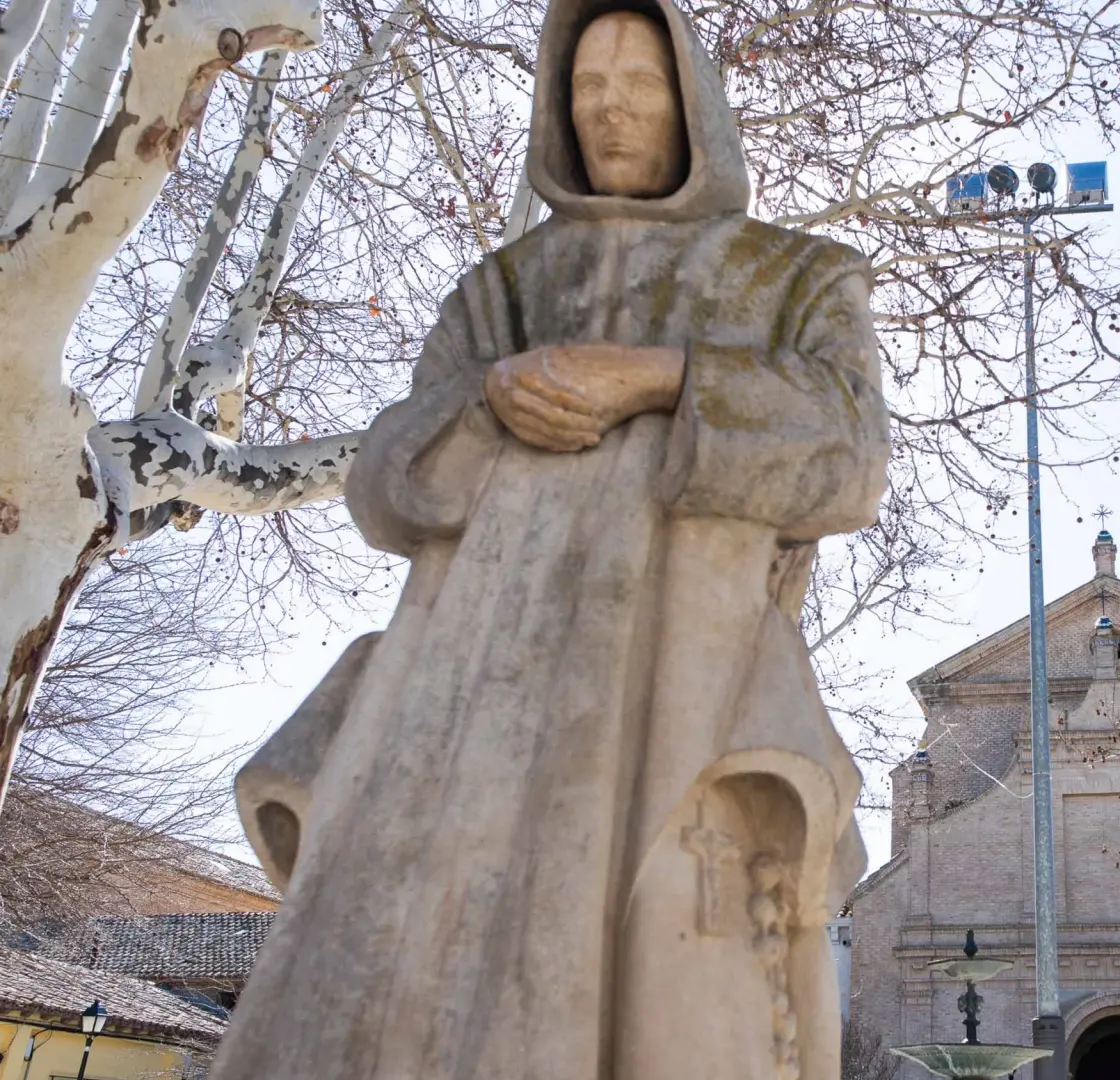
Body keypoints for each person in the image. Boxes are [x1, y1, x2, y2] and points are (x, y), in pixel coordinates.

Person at [210, 3, 888, 1077]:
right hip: (464, 716)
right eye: (588, 86)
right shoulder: (501, 293)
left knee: (671, 993)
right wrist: (485, 400)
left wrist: (667, 378)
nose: (610, 109)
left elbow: (852, 459)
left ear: (694, 105)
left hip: (679, 698)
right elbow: (384, 492)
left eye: (641, 84)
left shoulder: (796, 279)